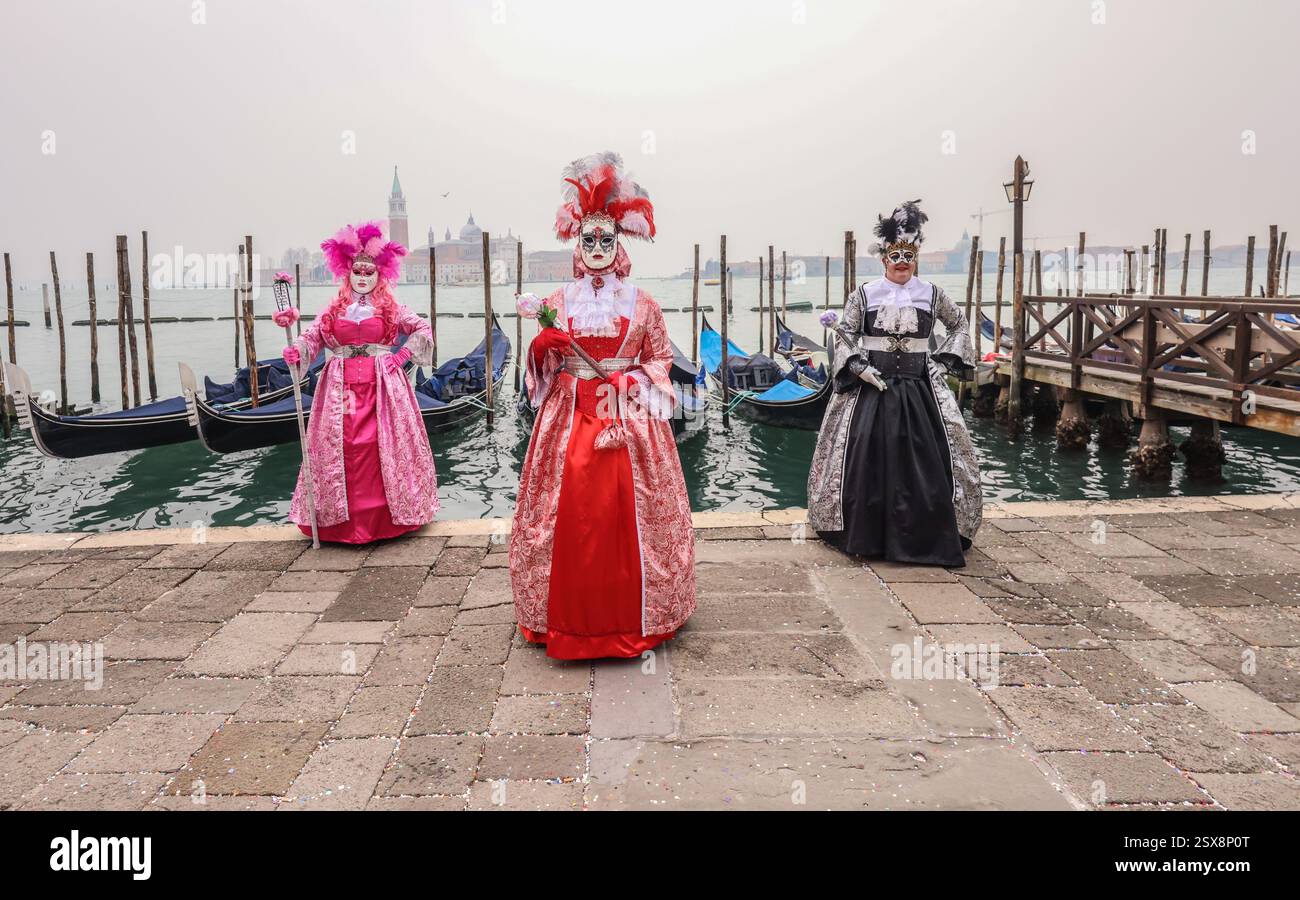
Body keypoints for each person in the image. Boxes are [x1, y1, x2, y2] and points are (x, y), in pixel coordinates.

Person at [510, 151, 695, 660]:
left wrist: (633, 380)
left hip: (625, 415)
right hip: (568, 415)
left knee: (625, 510)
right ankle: (568, 619)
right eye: (587, 239)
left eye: (604, 240)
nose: (595, 247)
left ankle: (632, 614)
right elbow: (542, 371)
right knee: (570, 511)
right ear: (577, 242)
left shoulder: (645, 304)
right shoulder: (558, 301)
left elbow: (660, 357)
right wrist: (540, 350)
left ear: (618, 244)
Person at [807, 200, 981, 566]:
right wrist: (858, 367)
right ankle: (867, 536)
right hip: (871, 391)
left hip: (920, 390)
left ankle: (923, 537)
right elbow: (846, 336)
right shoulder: (864, 294)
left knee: (927, 462)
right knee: (864, 458)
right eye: (894, 255)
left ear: (915, 256)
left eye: (908, 255)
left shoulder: (932, 294)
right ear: (883, 257)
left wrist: (943, 362)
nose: (901, 262)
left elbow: (960, 324)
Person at [282, 221, 438, 544]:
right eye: (358, 271)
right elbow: (313, 337)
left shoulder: (391, 307)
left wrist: (400, 357)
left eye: (369, 272)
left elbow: (423, 329)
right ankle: (338, 522)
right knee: (343, 447)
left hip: (382, 388)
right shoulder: (334, 308)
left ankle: (386, 520)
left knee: (378, 446)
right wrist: (297, 350)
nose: (363, 277)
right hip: (339, 391)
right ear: (347, 272)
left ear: (379, 275)